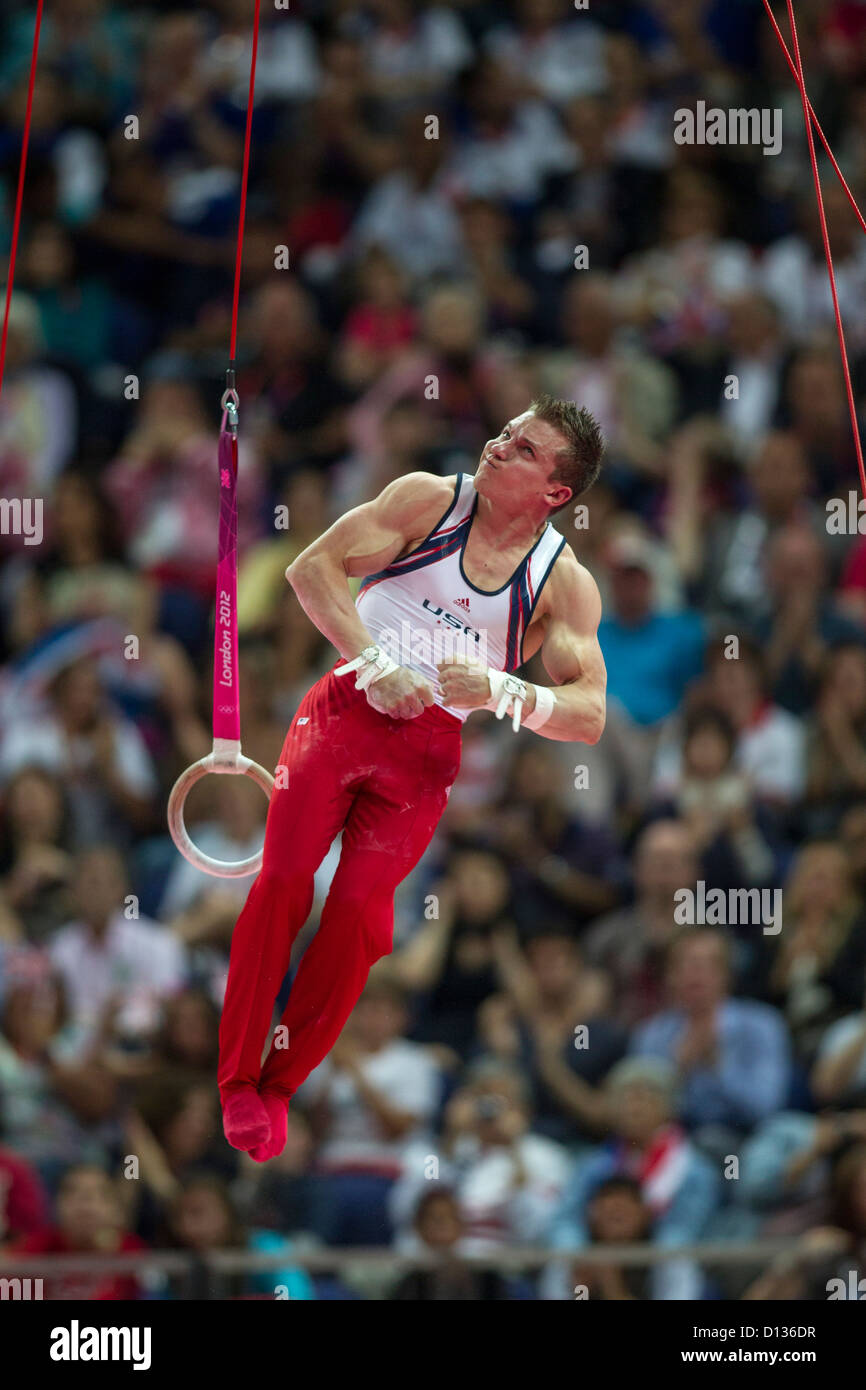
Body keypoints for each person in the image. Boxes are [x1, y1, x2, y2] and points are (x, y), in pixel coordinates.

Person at [217, 395, 608, 1161]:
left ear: (556, 493)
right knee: (285, 881)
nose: (499, 445)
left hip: (425, 759)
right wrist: (374, 659)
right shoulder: (430, 499)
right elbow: (312, 568)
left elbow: (588, 712)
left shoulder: (563, 583)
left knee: (361, 916)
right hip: (342, 715)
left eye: (524, 450)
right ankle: (237, 1080)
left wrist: (502, 691)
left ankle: (280, 1085)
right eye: (505, 432)